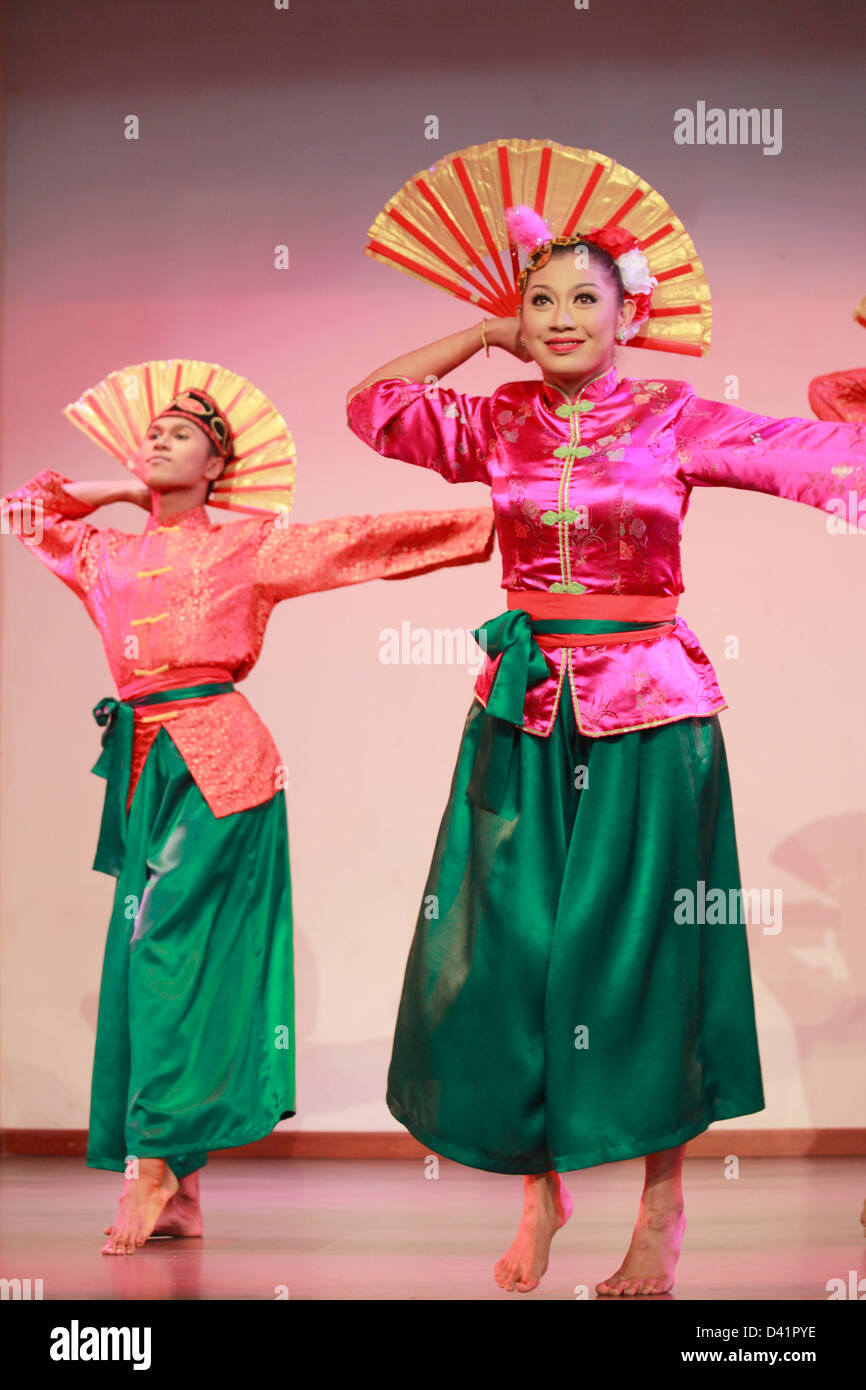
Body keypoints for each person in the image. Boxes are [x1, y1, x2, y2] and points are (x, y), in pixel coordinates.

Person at [346, 216, 866, 1296]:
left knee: (636, 962)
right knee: (512, 953)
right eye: (540, 301)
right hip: (522, 711)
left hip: (648, 714)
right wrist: (479, 335)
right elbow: (376, 406)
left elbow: (810, 457)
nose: (560, 320)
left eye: (584, 300)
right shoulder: (497, 421)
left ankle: (659, 1211)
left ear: (629, 317)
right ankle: (541, 1192)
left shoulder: (671, 414)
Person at [1, 372, 495, 1256]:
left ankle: (153, 1162)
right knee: (155, 960)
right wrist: (117, 489)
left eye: (180, 435)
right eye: (149, 434)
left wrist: (499, 520)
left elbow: (362, 543)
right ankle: (184, 1188)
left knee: (162, 950)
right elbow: (23, 512)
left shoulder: (246, 550)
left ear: (217, 464)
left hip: (222, 765)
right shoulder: (102, 554)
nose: (158, 442)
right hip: (141, 766)